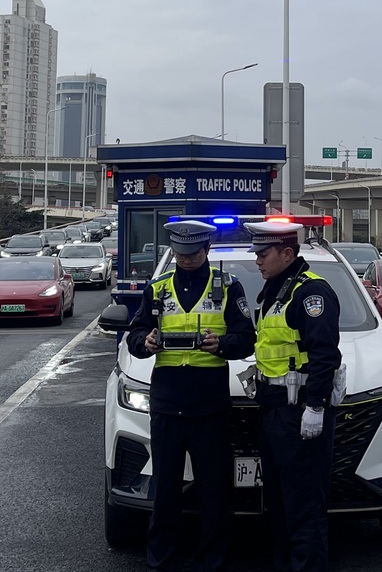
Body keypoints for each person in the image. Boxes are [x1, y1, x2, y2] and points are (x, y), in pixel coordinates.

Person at [125, 220, 255, 572]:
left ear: (207, 250)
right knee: (165, 485)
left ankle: (214, 557)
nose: (185, 260)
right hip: (167, 400)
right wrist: (146, 343)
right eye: (180, 254)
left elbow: (246, 338)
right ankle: (163, 555)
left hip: (209, 402)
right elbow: (134, 333)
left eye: (193, 253)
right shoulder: (158, 288)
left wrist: (221, 345)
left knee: (214, 488)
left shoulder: (229, 287)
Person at [245, 220, 342, 572]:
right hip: (274, 412)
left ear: (287, 253)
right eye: (257, 253)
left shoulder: (310, 293)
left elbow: (324, 355)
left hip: (301, 413)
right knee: (279, 503)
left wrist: (315, 406)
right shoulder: (276, 291)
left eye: (263, 253)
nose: (258, 260)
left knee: (304, 506)